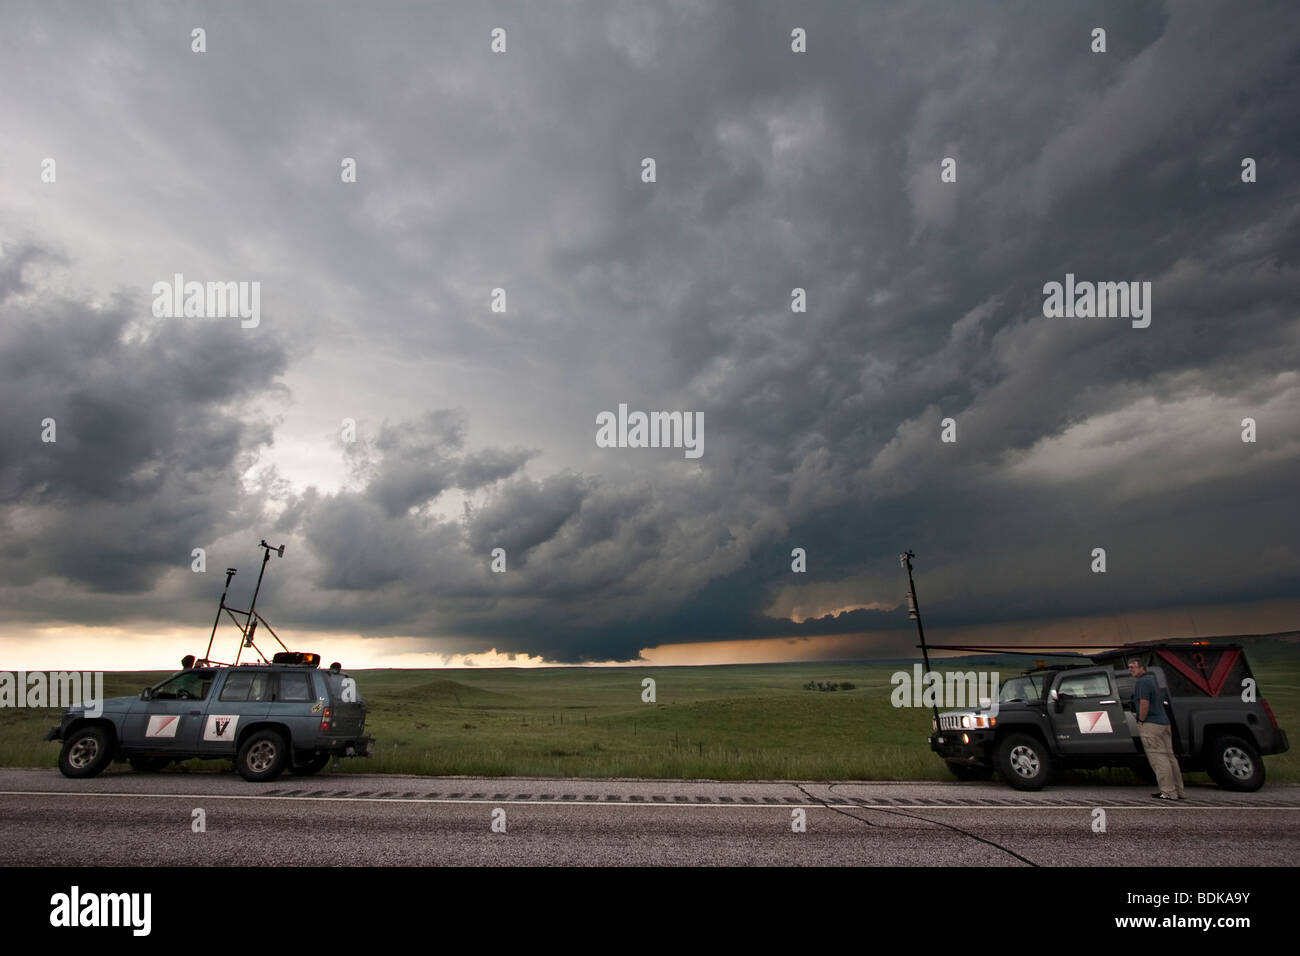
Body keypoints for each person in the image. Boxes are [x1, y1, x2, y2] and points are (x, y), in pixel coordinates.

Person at [1128, 658, 1185, 800]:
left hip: (1151, 724)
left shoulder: (1142, 682)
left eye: (1133, 667)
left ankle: (1167, 792)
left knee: (1158, 758)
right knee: (1170, 756)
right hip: (1164, 722)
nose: (1131, 670)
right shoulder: (1152, 680)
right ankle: (1179, 790)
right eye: (1130, 668)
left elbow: (1144, 703)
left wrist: (1141, 720)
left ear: (1142, 668)